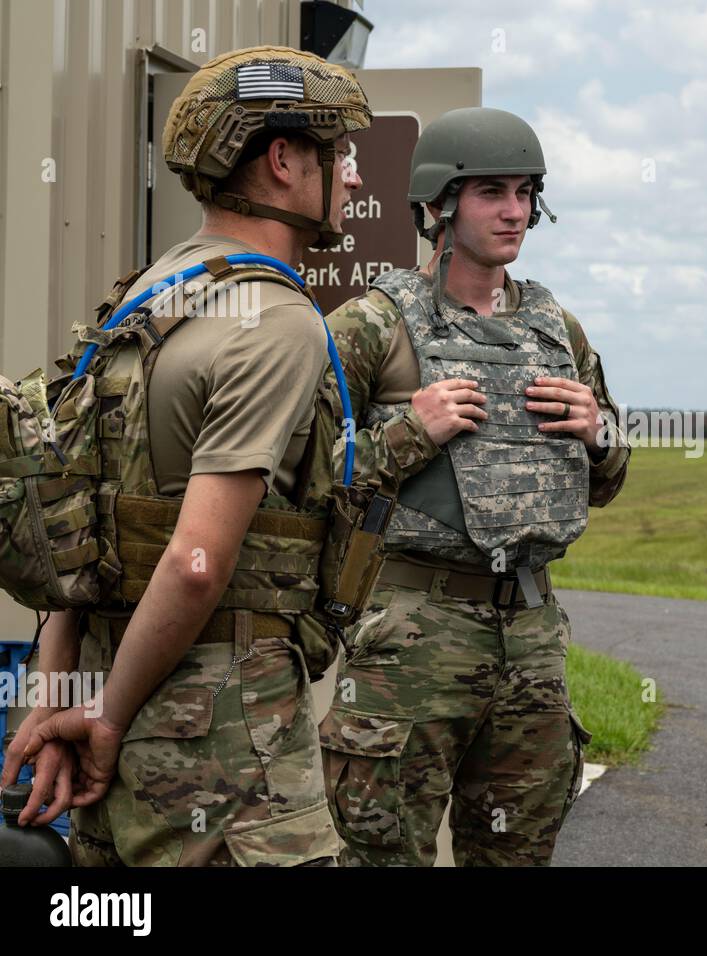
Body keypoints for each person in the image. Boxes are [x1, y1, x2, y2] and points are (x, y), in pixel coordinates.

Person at [1, 46, 372, 866]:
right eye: (337, 155)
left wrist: (66, 700)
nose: (350, 178)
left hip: (113, 704)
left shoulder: (138, 300)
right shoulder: (276, 320)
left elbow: (83, 538)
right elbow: (199, 562)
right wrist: (104, 716)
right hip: (226, 746)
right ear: (283, 161)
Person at [320, 107, 630, 866]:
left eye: (527, 192)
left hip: (529, 634)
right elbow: (302, 478)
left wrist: (600, 433)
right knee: (385, 851)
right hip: (411, 634)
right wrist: (405, 433)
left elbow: (610, 481)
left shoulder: (558, 327)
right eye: (492, 191)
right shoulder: (373, 325)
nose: (516, 211)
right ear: (438, 206)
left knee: (519, 853)